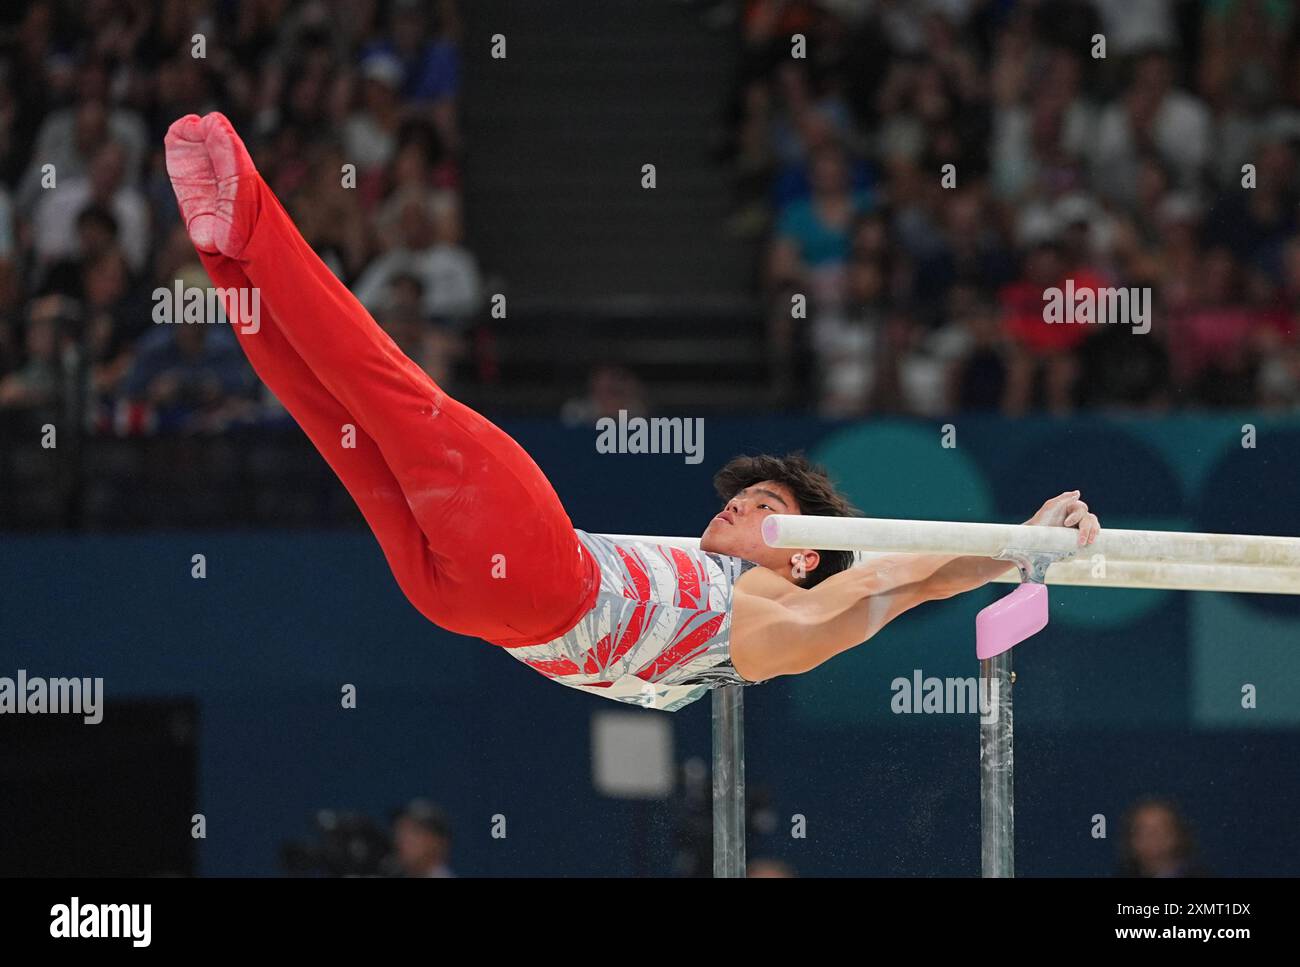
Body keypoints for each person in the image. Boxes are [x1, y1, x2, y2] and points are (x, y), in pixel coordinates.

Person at [165, 112, 1101, 713]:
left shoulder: (778, 620)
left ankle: (252, 218)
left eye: (763, 503)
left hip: (539, 580)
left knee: (393, 395)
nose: (734, 503)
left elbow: (903, 581)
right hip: (474, 604)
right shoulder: (733, 589)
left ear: (805, 550)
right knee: (338, 420)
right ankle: (225, 258)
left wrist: (1018, 545)